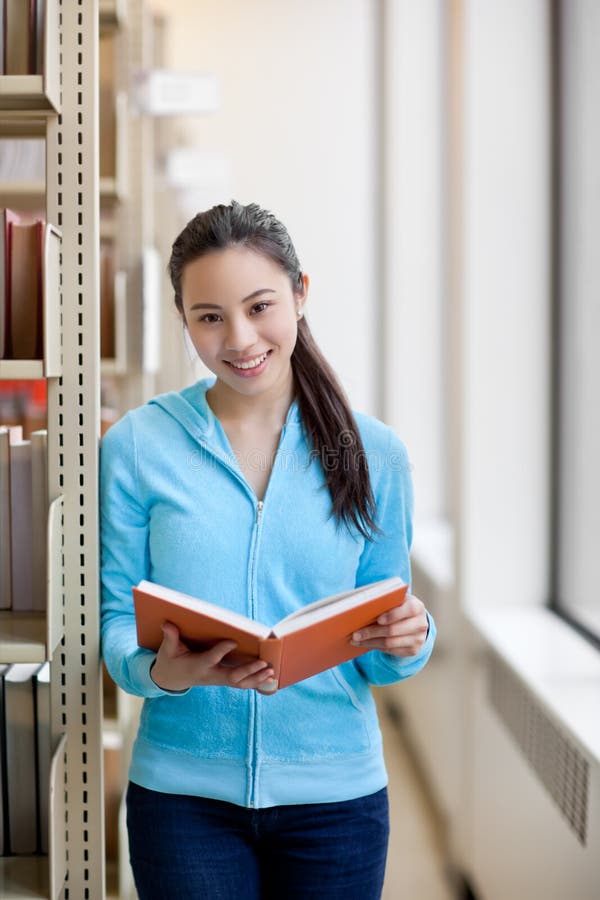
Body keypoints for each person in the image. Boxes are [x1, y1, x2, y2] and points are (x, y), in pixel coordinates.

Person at [100, 200, 436, 900]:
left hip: (337, 801)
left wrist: (412, 637)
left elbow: (381, 651)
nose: (240, 338)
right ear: (183, 319)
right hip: (181, 800)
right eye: (210, 317)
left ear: (300, 294)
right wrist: (163, 673)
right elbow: (114, 622)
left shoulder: (374, 453)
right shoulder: (137, 446)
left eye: (260, 307)